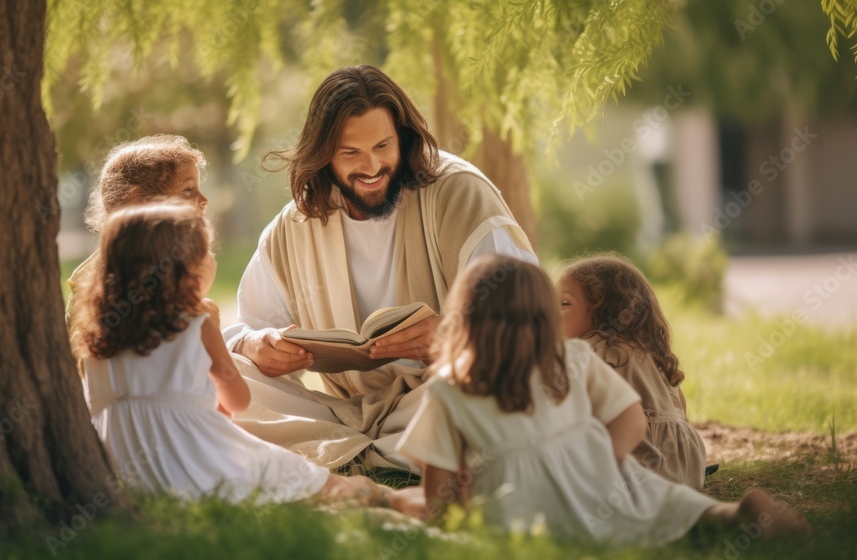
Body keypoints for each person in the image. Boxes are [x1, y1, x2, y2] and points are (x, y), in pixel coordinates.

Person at [223, 65, 537, 471]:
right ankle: (391, 451)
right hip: (346, 410)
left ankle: (345, 452)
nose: (371, 167)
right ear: (322, 156)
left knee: (500, 383)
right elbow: (249, 327)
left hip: (441, 394)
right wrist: (257, 345)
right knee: (222, 373)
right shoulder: (294, 225)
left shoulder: (460, 193)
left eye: (383, 147)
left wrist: (460, 333)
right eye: (350, 153)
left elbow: (528, 314)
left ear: (403, 139)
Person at [397, 256, 810, 544]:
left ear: (464, 322)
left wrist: (450, 526)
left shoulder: (450, 390)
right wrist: (603, 461)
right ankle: (738, 514)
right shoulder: (573, 357)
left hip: (522, 503)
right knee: (673, 512)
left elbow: (441, 485)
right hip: (605, 477)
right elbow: (631, 417)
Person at [68, 202, 421, 513]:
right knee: (300, 476)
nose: (212, 258)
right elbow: (237, 399)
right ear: (184, 268)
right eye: (205, 251)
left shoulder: (96, 335)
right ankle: (391, 501)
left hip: (119, 458)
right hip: (192, 453)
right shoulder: (198, 321)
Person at [558, 254, 708, 489]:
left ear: (604, 312)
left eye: (564, 304)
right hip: (686, 468)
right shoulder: (652, 354)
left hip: (638, 465)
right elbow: (681, 412)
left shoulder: (591, 350)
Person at [66, 134, 210, 324]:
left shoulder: (166, 262)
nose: (204, 200)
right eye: (188, 190)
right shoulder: (110, 280)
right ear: (140, 200)